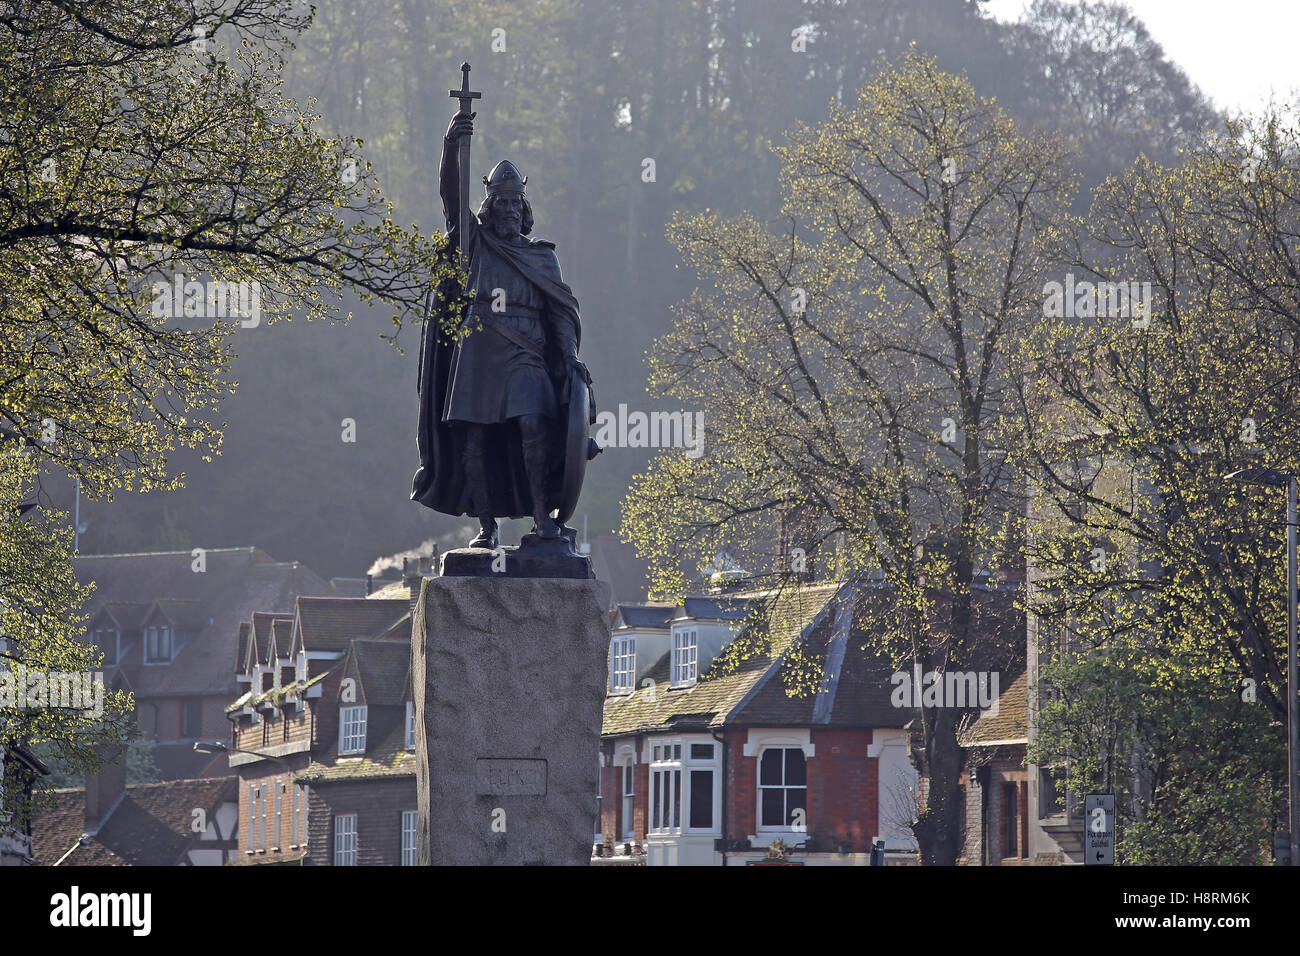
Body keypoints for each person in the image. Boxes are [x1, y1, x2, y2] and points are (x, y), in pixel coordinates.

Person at [411, 109, 590, 548]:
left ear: (524, 208)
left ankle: (542, 519)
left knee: (533, 425)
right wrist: (452, 144)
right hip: (477, 348)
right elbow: (450, 195)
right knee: (476, 436)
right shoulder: (474, 243)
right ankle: (487, 527)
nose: (509, 209)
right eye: (501, 202)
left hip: (525, 350)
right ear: (490, 207)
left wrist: (567, 359)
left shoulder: (543, 257)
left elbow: (560, 314)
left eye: (515, 203)